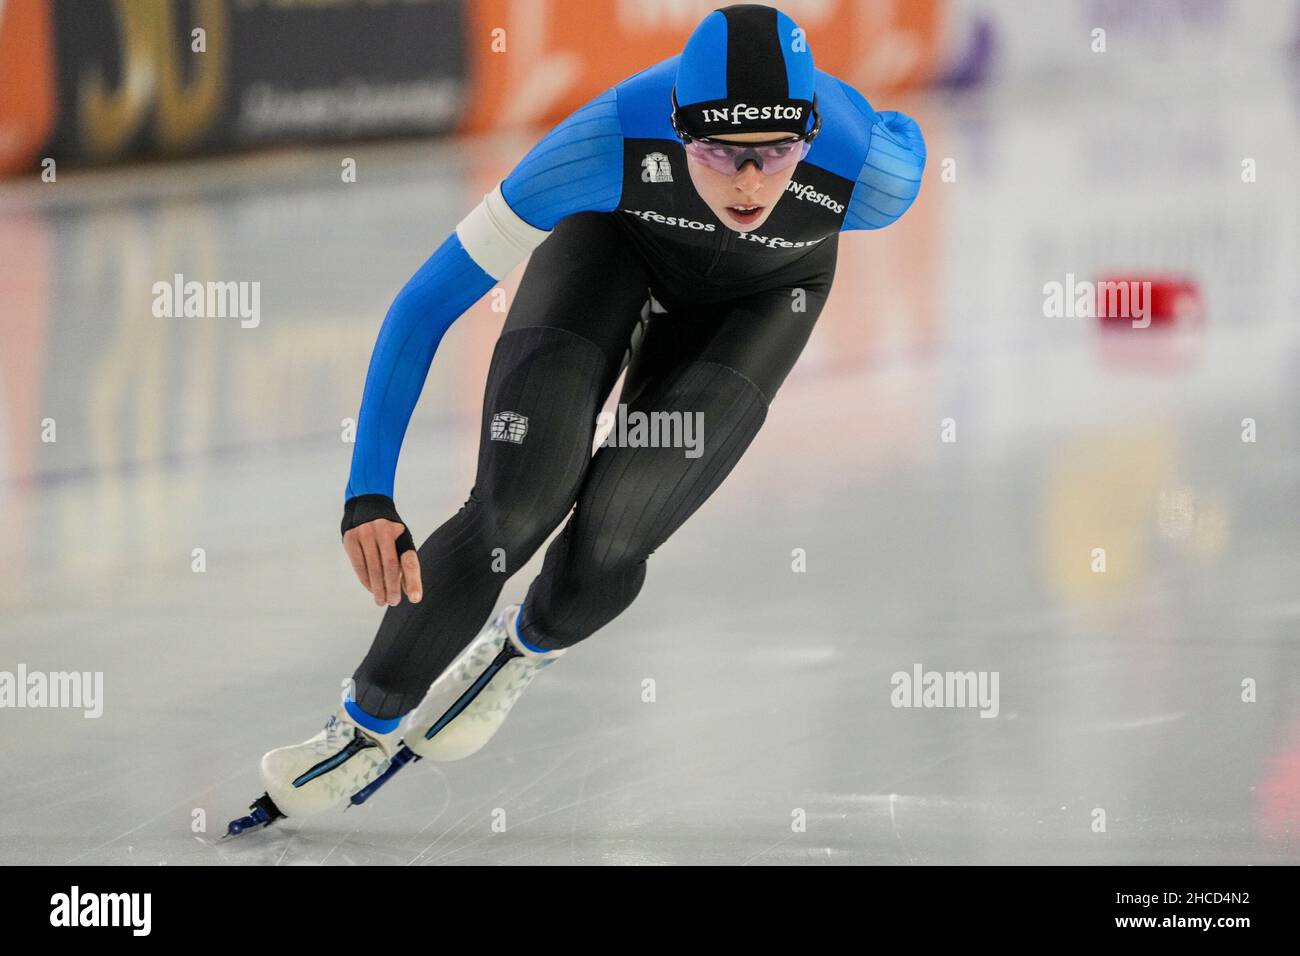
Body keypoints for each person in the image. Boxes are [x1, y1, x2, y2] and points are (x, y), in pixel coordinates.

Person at [229, 3, 925, 833]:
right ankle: (361, 729)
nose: (748, 183)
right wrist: (367, 494)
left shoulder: (869, 176)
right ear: (675, 128)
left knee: (615, 533)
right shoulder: (603, 145)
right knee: (515, 506)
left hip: (763, 296)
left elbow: (897, 124)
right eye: (717, 152)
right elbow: (423, 306)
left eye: (775, 154)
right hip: (611, 251)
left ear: (810, 134)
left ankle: (519, 650)